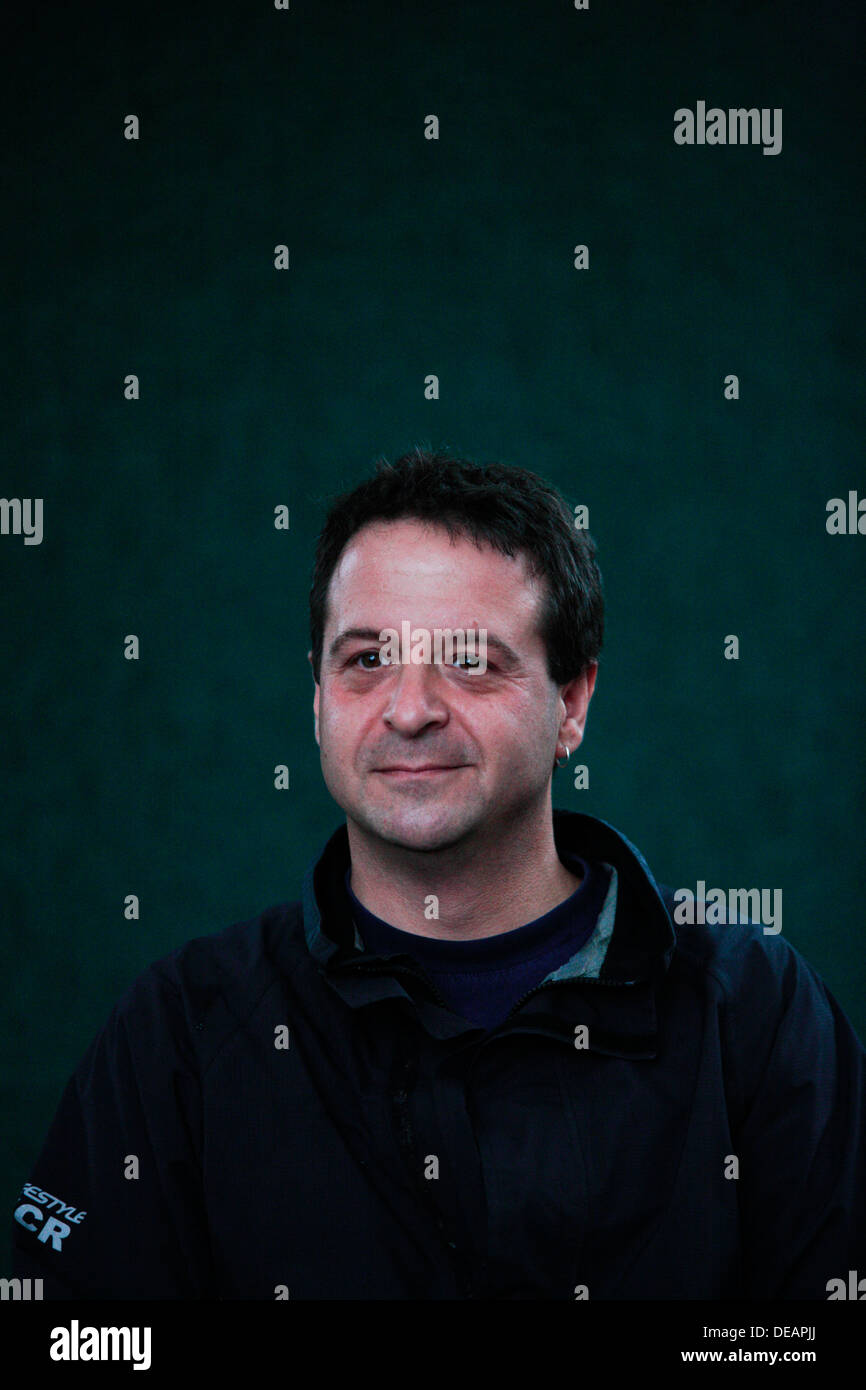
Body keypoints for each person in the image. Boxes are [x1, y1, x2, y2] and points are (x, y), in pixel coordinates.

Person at [11, 447, 866, 1300]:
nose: (411, 709)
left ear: (572, 704)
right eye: (367, 660)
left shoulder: (756, 1012)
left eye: (470, 660)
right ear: (317, 697)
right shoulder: (182, 1035)